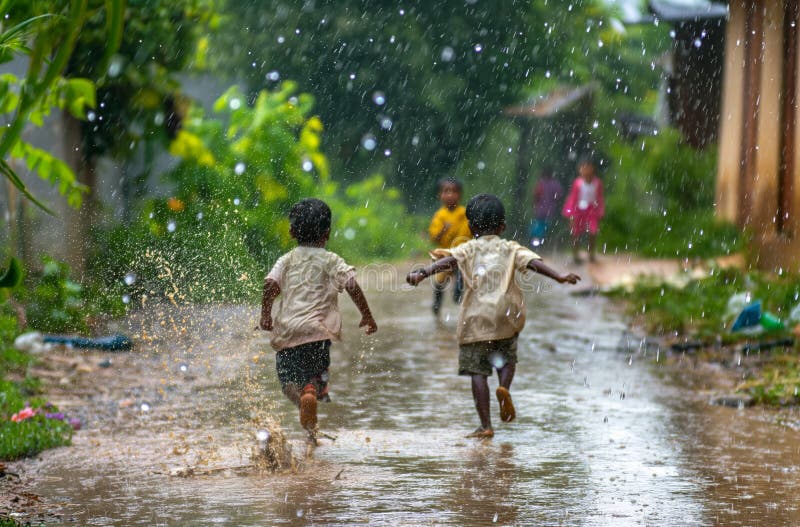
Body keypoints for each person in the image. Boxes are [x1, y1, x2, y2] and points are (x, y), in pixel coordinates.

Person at [407, 194, 580, 438]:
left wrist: (422, 273)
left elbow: (447, 262)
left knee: (477, 372)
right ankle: (504, 386)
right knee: (507, 357)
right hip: (506, 318)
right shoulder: (510, 248)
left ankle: (486, 425)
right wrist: (559, 276)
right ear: (502, 226)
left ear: (471, 226)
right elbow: (533, 262)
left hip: (476, 320)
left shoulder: (467, 248)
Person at [259, 198, 378, 444]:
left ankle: (306, 405)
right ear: (327, 233)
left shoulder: (287, 260)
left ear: (292, 232)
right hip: (318, 333)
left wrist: (266, 314)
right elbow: (352, 285)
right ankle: (311, 393)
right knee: (314, 376)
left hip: (289, 333)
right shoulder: (331, 260)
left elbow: (270, 284)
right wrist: (366, 314)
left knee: (289, 381)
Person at [427, 178, 472, 316]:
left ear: (460, 194)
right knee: (439, 282)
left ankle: (461, 299)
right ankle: (436, 307)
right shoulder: (439, 216)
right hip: (444, 256)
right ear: (440, 195)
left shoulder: (466, 213)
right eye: (446, 191)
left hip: (463, 256)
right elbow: (434, 239)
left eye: (454, 191)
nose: (450, 195)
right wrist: (443, 231)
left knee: (462, 277)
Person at [562, 158, 604, 263]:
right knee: (575, 232)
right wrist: (570, 213)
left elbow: (599, 198)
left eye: (588, 168)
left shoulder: (597, 183)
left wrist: (600, 211)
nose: (585, 170)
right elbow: (573, 198)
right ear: (580, 170)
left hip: (592, 210)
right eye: (583, 168)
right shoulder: (578, 183)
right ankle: (576, 254)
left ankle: (591, 253)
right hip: (578, 210)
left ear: (593, 169)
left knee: (593, 231)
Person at [529, 166, 563, 248]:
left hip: (540, 209)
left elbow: (536, 195)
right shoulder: (555, 184)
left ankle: (536, 242)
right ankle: (543, 242)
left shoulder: (540, 183)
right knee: (545, 226)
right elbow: (559, 197)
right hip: (550, 210)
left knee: (538, 225)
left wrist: (534, 204)